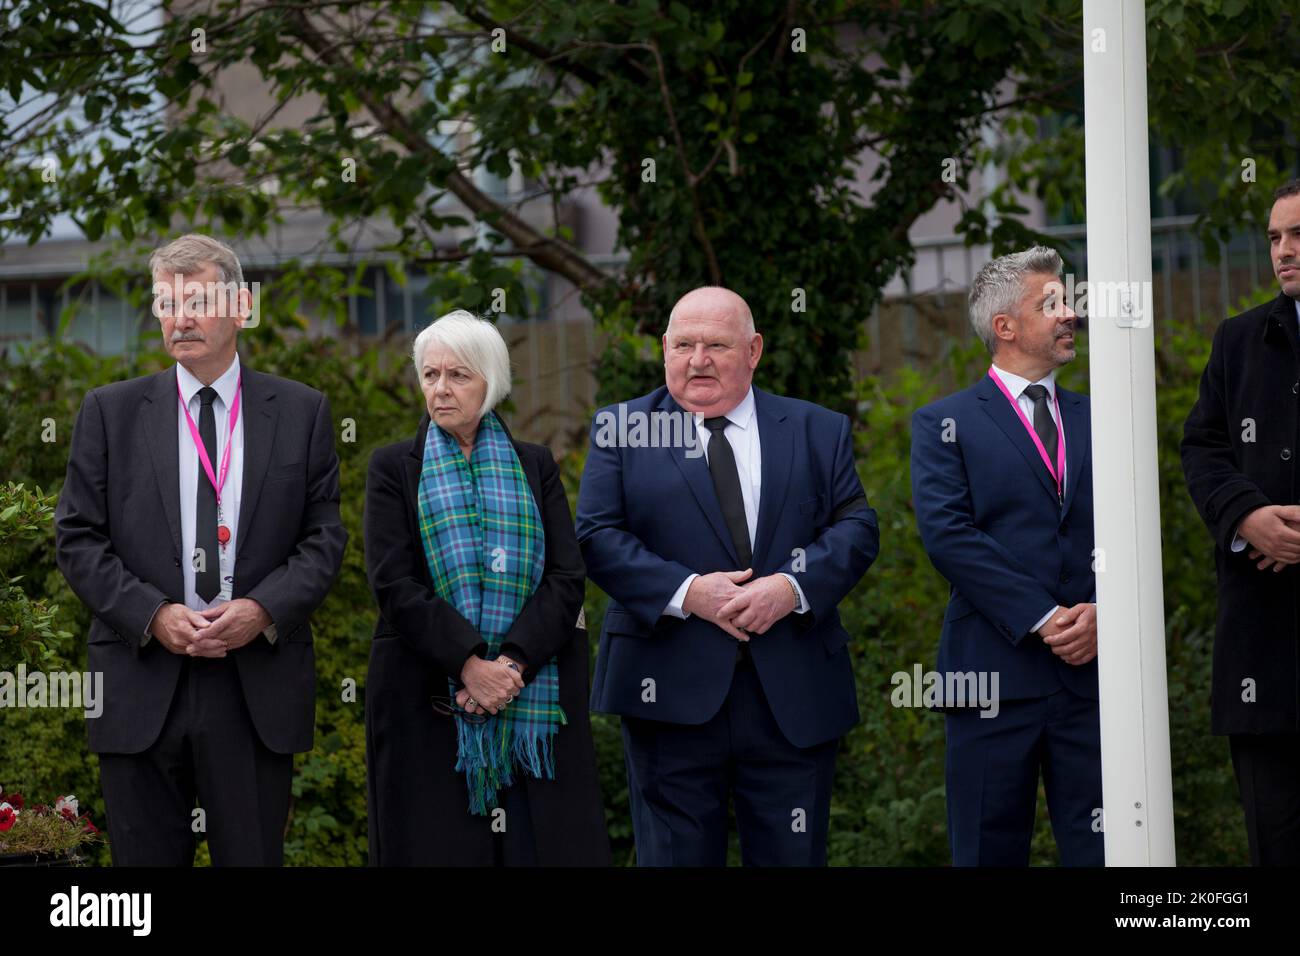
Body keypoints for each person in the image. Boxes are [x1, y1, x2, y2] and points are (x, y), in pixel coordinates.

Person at [54, 233, 347, 865]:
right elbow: (78, 539)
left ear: (241, 306)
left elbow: (324, 540)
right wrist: (153, 615)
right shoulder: (109, 412)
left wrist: (262, 611)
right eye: (166, 302)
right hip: (141, 681)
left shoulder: (301, 412)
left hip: (252, 688)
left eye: (196, 299)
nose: (179, 316)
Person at [576, 286, 879, 866]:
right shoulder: (621, 429)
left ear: (754, 350)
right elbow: (596, 535)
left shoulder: (817, 429)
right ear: (664, 347)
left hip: (792, 695)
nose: (698, 360)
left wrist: (789, 589)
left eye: (716, 344)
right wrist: (691, 594)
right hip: (667, 693)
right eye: (684, 344)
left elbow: (857, 527)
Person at [364, 310, 610, 866]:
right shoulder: (393, 468)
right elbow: (393, 582)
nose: (441, 389)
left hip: (531, 699)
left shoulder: (534, 465)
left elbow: (566, 579)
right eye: (430, 375)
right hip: (425, 704)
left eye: (458, 375)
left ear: (490, 381)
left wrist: (511, 667)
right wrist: (471, 662)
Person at [910, 246, 1102, 866]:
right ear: (1005, 326)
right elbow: (949, 537)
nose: (1070, 313)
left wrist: (1103, 611)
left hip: (1095, 674)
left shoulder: (1105, 418)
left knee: (1104, 848)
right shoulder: (944, 423)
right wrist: (1047, 618)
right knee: (987, 852)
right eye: (1052, 303)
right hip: (989, 675)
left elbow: (1129, 531)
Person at [1181, 179, 1300, 866]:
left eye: (1297, 234)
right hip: (1264, 658)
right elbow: (1203, 446)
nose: (1283, 251)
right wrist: (1246, 515)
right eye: (1274, 237)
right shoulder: (1238, 340)